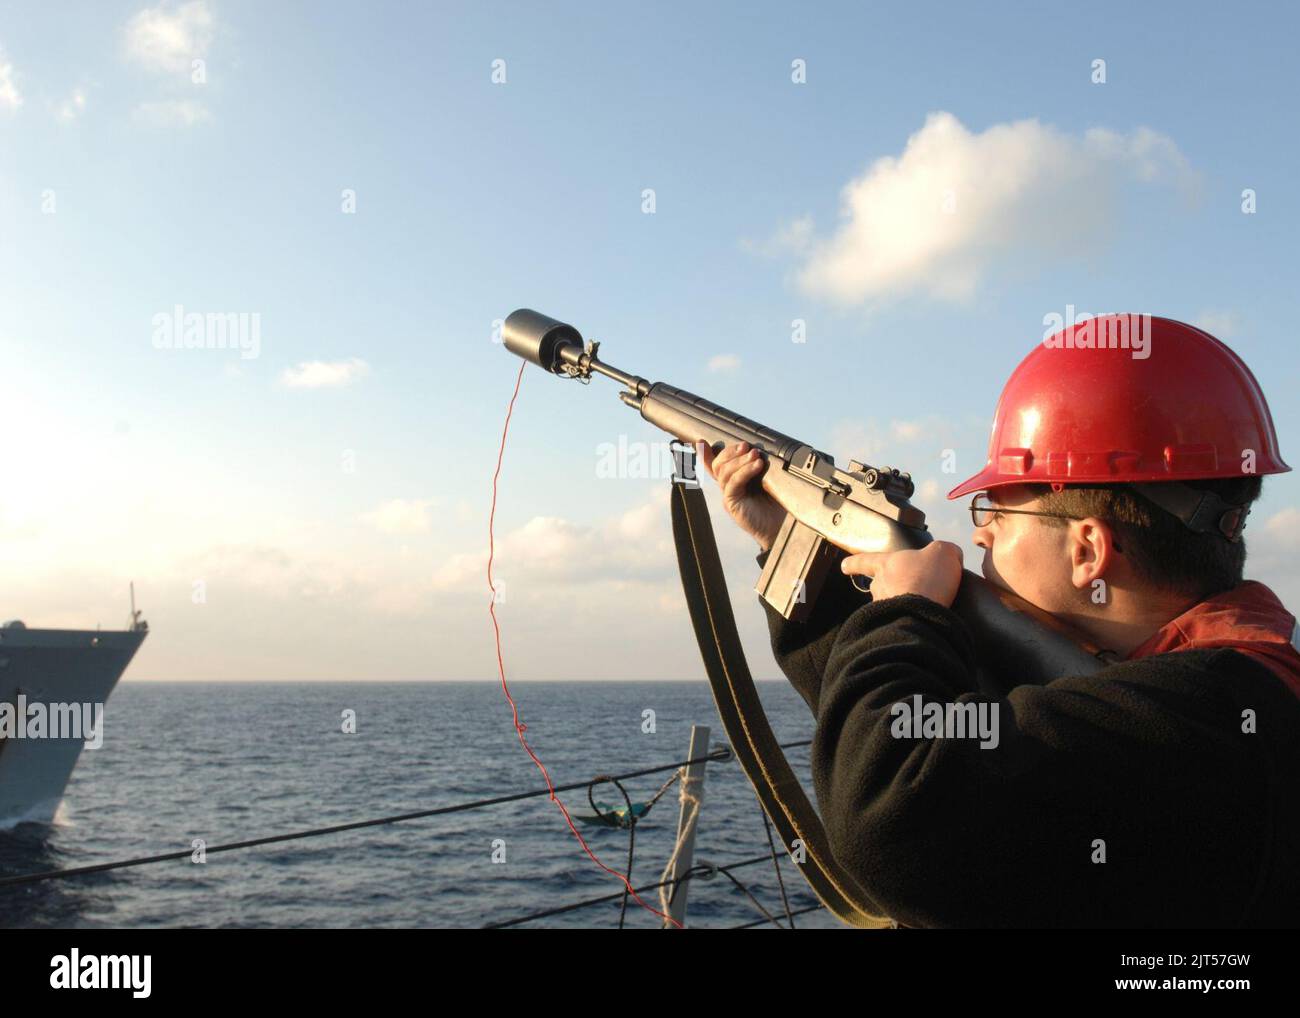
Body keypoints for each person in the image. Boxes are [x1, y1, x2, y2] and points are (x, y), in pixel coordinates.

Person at [695, 315, 1300, 928]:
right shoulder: (1230, 681)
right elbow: (899, 736)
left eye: (997, 511)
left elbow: (888, 820)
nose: (979, 531)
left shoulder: (1190, 721)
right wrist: (799, 551)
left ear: (1086, 550)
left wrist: (911, 612)